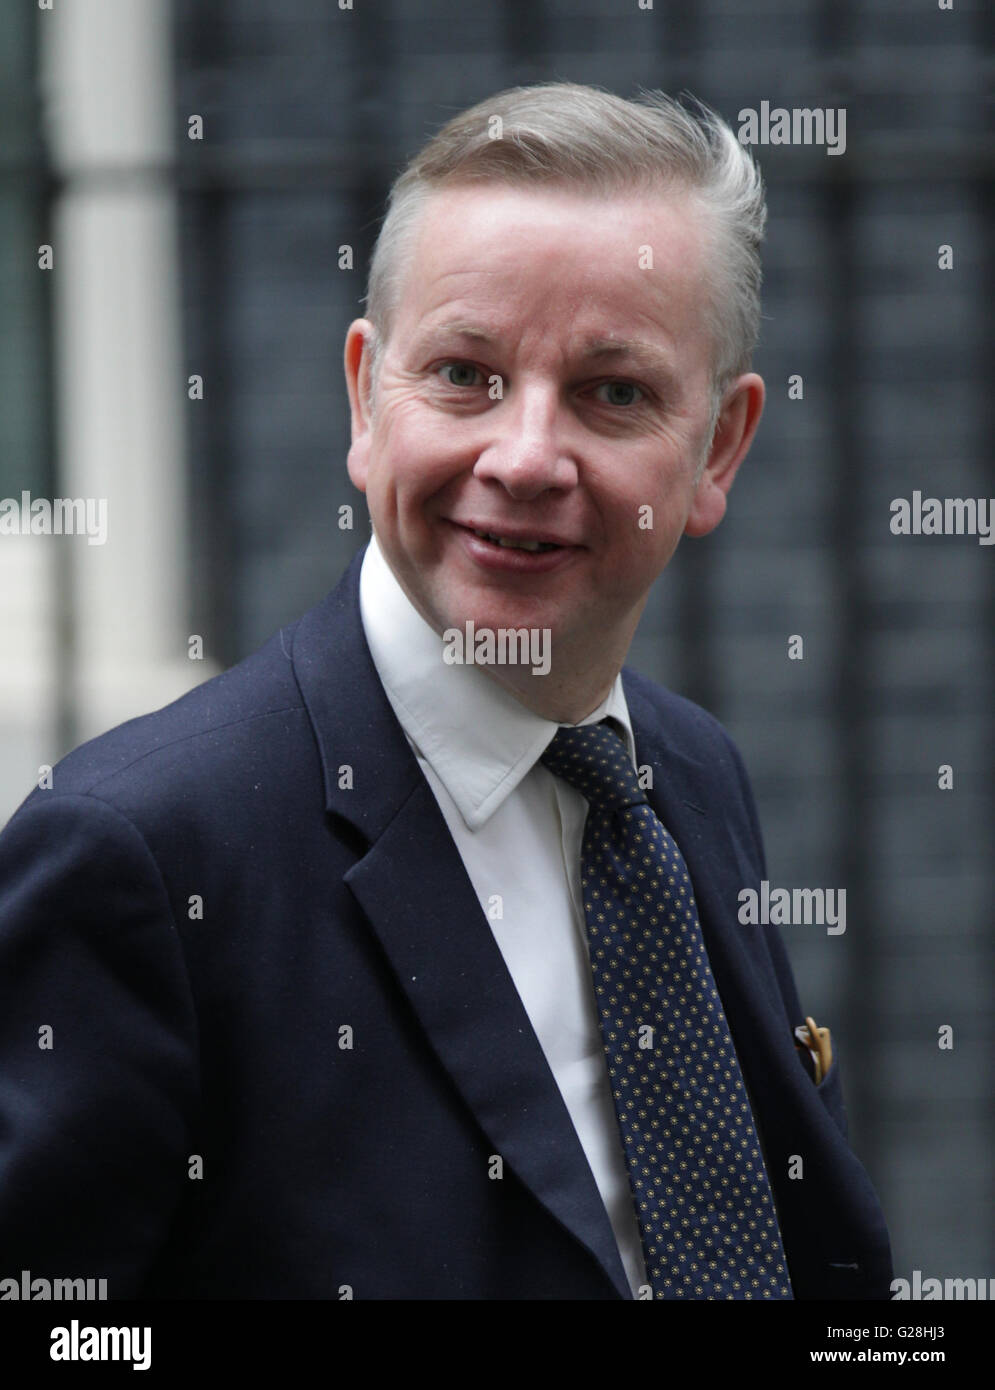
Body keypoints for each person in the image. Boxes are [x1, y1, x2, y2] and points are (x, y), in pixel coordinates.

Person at [0, 82, 892, 1300]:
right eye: (465, 374)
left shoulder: (688, 775)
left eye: (612, 392)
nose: (523, 457)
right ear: (367, 397)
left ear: (716, 449)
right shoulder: (144, 853)